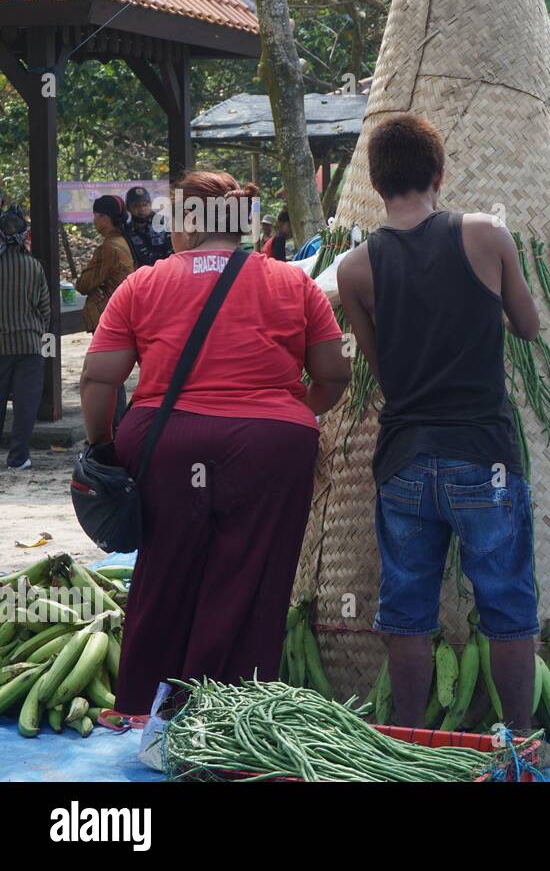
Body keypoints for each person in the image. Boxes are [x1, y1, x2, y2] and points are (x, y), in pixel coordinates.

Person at [334, 114, 550, 766]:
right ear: (439, 175)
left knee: (406, 609)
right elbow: (527, 327)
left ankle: (407, 743)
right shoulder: (485, 235)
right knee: (505, 602)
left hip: (405, 460)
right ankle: (521, 744)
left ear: (377, 185)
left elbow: (380, 367)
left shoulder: (353, 269)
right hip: (484, 460)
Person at [79, 170, 351, 717]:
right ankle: (231, 715)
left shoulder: (144, 284)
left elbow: (99, 380)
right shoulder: (294, 284)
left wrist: (103, 446)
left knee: (163, 569)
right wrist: (286, 415)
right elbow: (333, 374)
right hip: (272, 449)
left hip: (166, 443)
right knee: (254, 577)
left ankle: (141, 706)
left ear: (189, 223)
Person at [0, 207, 49, 470]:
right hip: (29, 346)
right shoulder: (34, 267)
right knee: (25, 405)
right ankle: (18, 458)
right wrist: (36, 332)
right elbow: (45, 309)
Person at [76, 195, 135, 334]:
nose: (94, 220)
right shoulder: (125, 240)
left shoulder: (109, 248)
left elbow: (82, 285)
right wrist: (96, 288)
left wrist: (94, 289)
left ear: (105, 218)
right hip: (125, 315)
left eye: (95, 215)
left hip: (111, 320)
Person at [122, 186, 172, 268]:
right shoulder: (127, 231)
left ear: (150, 204)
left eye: (145, 204)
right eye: (136, 206)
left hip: (165, 273)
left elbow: (173, 254)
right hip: (141, 276)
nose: (142, 209)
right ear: (128, 208)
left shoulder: (164, 223)